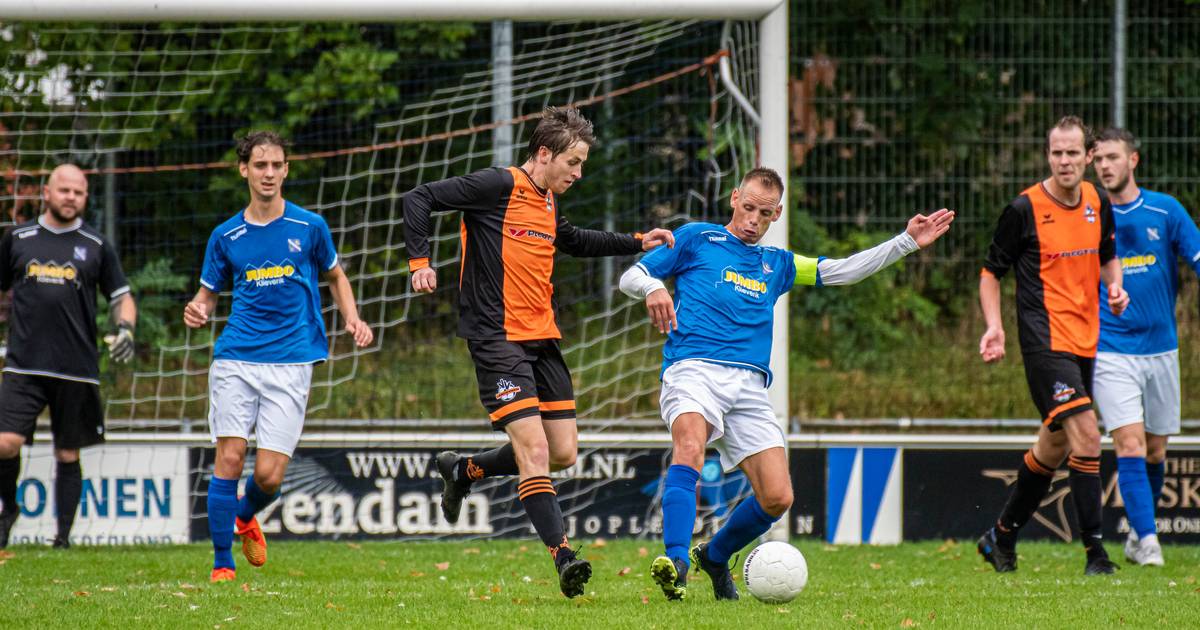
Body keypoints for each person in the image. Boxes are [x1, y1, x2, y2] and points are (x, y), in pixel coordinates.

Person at [620, 167, 954, 601]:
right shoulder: (696, 238)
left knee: (778, 497)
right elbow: (632, 275)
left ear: (776, 214)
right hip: (693, 369)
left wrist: (907, 241)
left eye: (764, 212)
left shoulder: (776, 264)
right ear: (734, 197)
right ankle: (677, 563)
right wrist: (651, 288)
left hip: (748, 386)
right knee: (689, 447)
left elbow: (843, 271)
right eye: (748, 207)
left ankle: (715, 556)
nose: (753, 219)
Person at [403, 106, 673, 598]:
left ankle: (464, 470)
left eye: (583, 163)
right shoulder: (496, 185)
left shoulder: (546, 202)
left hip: (542, 338)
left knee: (563, 452)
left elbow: (572, 240)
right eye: (573, 161)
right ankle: (564, 556)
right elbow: (419, 197)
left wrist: (637, 239)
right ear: (544, 153)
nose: (578, 172)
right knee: (534, 452)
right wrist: (420, 261)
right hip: (496, 337)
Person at [184, 132, 373, 583]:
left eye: (276, 165)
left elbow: (336, 276)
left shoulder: (309, 227)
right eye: (260, 165)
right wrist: (198, 309)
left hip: (292, 361)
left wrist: (353, 318)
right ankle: (221, 564)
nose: (268, 173)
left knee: (268, 477)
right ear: (244, 170)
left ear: (286, 170)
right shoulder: (225, 235)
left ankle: (246, 515)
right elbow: (207, 295)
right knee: (229, 457)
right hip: (236, 358)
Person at [977, 116, 1128, 576]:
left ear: (1087, 157)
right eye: (1056, 152)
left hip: (1086, 343)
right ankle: (1096, 554)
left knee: (1052, 448)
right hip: (1044, 345)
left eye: (1072, 153)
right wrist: (994, 327)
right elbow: (990, 273)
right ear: (1048, 155)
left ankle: (1000, 535)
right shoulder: (1024, 208)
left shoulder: (1096, 201)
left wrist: (1116, 288)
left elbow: (1108, 256)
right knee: (1086, 432)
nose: (1064, 161)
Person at [0, 164, 137, 548]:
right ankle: (8, 508)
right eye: (64, 190)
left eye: (78, 192)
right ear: (46, 192)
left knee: (67, 452)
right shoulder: (18, 238)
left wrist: (125, 328)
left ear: (85, 197)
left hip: (75, 368)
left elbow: (122, 297)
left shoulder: (95, 244)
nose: (71, 197)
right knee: (4, 443)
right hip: (23, 365)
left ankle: (62, 540)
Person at [1091, 127, 1200, 567]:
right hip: (1111, 348)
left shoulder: (1165, 210)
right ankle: (1151, 542)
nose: (1105, 166)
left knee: (1156, 450)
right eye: (1098, 159)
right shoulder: (1089, 215)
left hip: (1162, 350)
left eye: (1113, 157)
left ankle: (1138, 533)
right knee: (1130, 445)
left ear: (1133, 160)